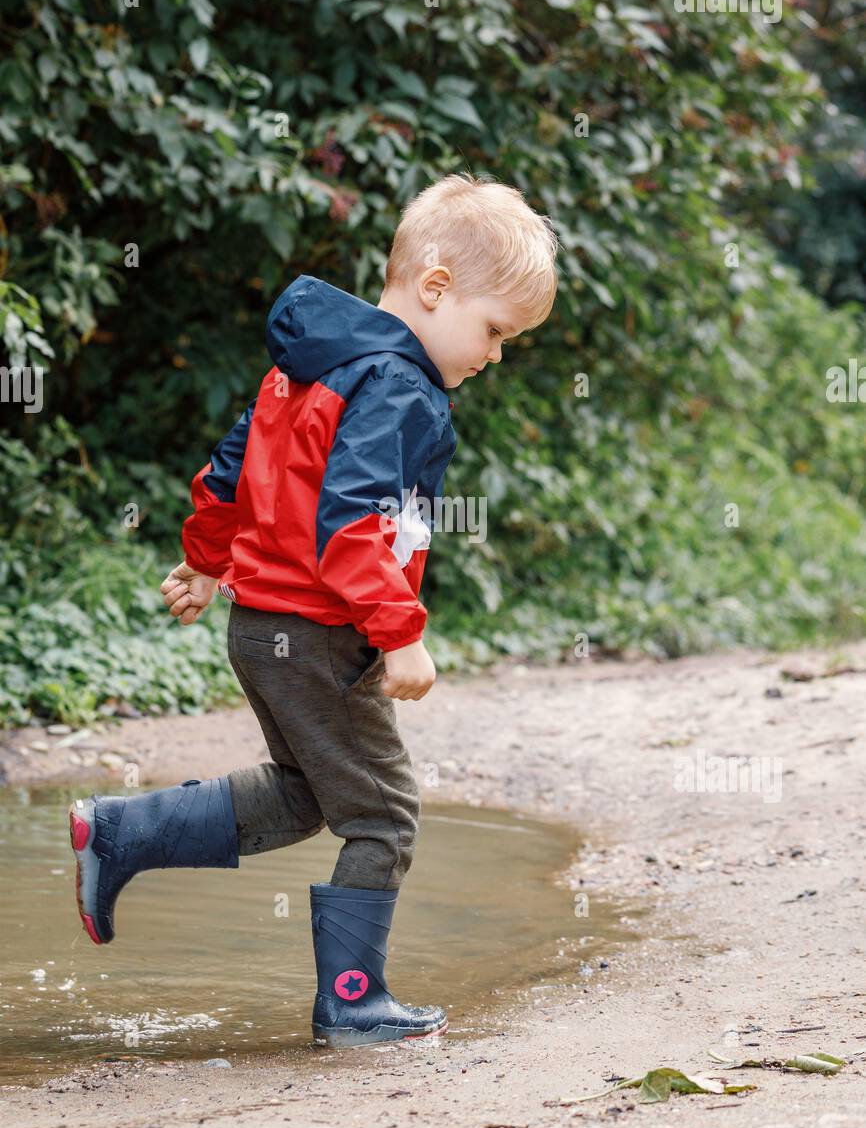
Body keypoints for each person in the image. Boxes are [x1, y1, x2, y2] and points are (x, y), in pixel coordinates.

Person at [69, 172, 559, 1048]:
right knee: (383, 813)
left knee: (304, 799)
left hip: (261, 627)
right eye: (494, 330)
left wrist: (207, 560)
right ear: (436, 289)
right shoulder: (399, 383)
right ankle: (353, 1001)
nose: (494, 354)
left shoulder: (309, 363)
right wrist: (399, 633)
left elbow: (231, 467)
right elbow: (350, 525)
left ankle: (118, 833)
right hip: (320, 631)